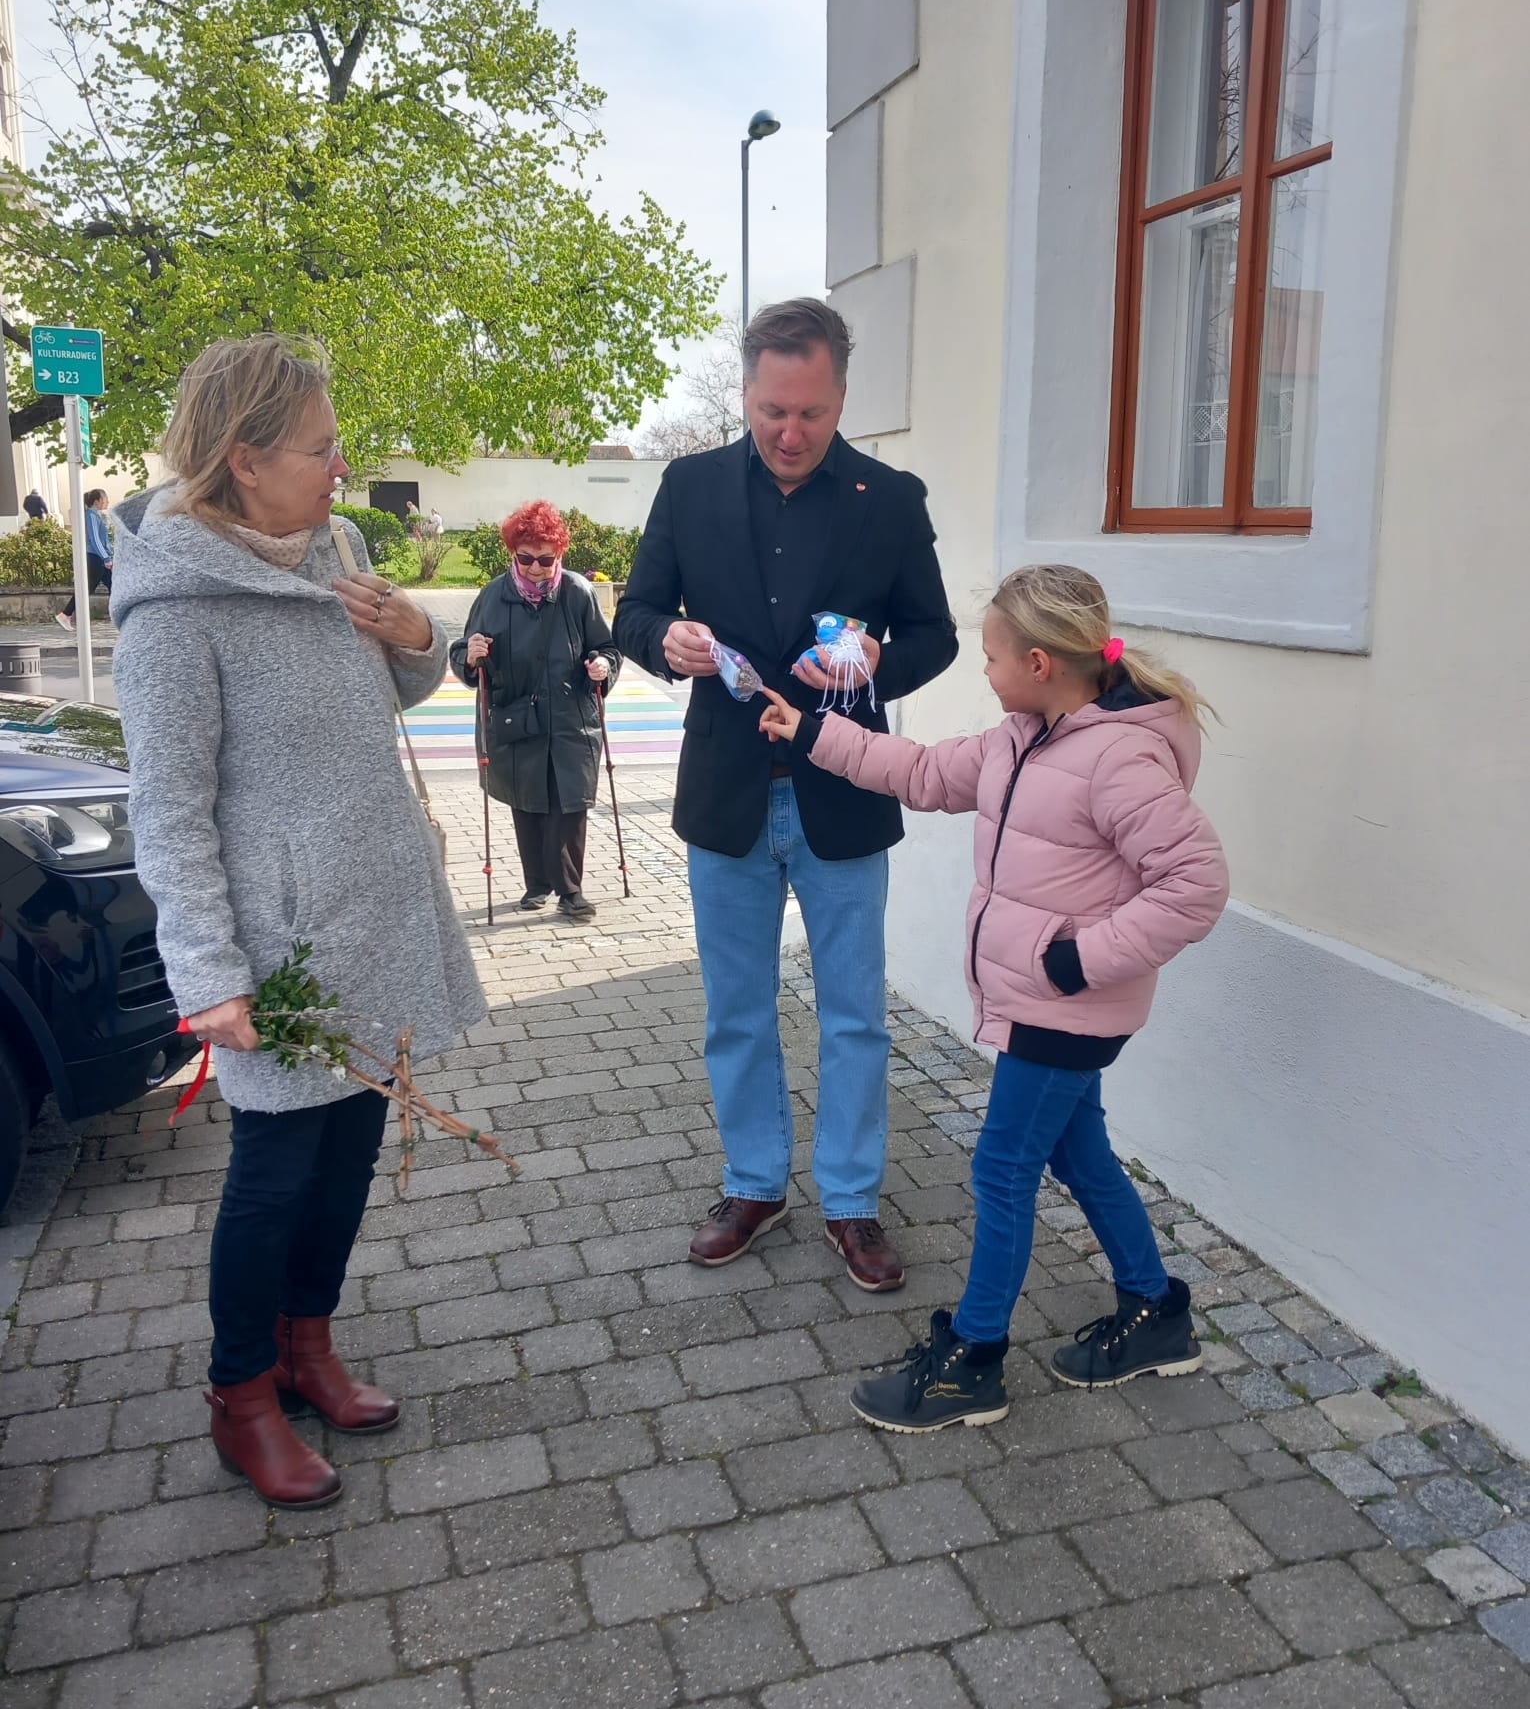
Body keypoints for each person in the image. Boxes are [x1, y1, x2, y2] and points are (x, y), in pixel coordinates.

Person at [110, 333, 486, 1509]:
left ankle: (307, 1345)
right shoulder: (175, 605)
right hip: (279, 946)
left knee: (354, 1145)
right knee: (274, 1170)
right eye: (321, 449)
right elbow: (166, 810)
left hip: (377, 903)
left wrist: (413, 635)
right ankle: (241, 1394)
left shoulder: (339, 545)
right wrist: (208, 972)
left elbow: (401, 687)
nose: (341, 468)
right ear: (245, 457)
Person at [758, 564, 1230, 1432]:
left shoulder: (1117, 758)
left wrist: (1077, 959)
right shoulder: (1026, 735)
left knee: (1002, 1166)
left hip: (1067, 1002)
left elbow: (1195, 885)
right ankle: (1156, 1311)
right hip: (1051, 1001)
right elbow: (926, 772)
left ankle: (973, 1362)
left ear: (1043, 662)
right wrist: (811, 730)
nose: (985, 670)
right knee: (1078, 1153)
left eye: (993, 655)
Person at [613, 299, 958, 1292]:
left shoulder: (889, 498)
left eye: (809, 412)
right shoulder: (688, 486)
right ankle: (756, 1184)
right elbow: (635, 610)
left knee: (854, 1012)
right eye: (771, 411)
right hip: (725, 789)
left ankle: (851, 1202)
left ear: (841, 395)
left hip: (841, 787)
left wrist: (876, 657)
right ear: (747, 393)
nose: (790, 433)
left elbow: (932, 634)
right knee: (737, 1009)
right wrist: (661, 642)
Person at [449, 500, 619, 921]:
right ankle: (537, 885)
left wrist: (603, 665)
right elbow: (461, 654)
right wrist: (470, 657)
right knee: (527, 805)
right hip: (516, 718)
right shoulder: (493, 597)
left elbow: (608, 647)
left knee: (569, 805)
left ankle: (570, 890)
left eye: (546, 559)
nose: (536, 568)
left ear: (559, 554)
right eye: (526, 559)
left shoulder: (578, 593)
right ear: (513, 554)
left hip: (570, 719)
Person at [56, 486, 112, 630]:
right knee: (87, 588)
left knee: (114, 585)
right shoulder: (91, 516)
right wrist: (106, 557)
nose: (107, 502)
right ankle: (65, 614)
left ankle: (118, 616)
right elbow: (95, 540)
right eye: (105, 500)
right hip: (95, 558)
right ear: (98, 501)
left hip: (99, 557)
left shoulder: (97, 515)